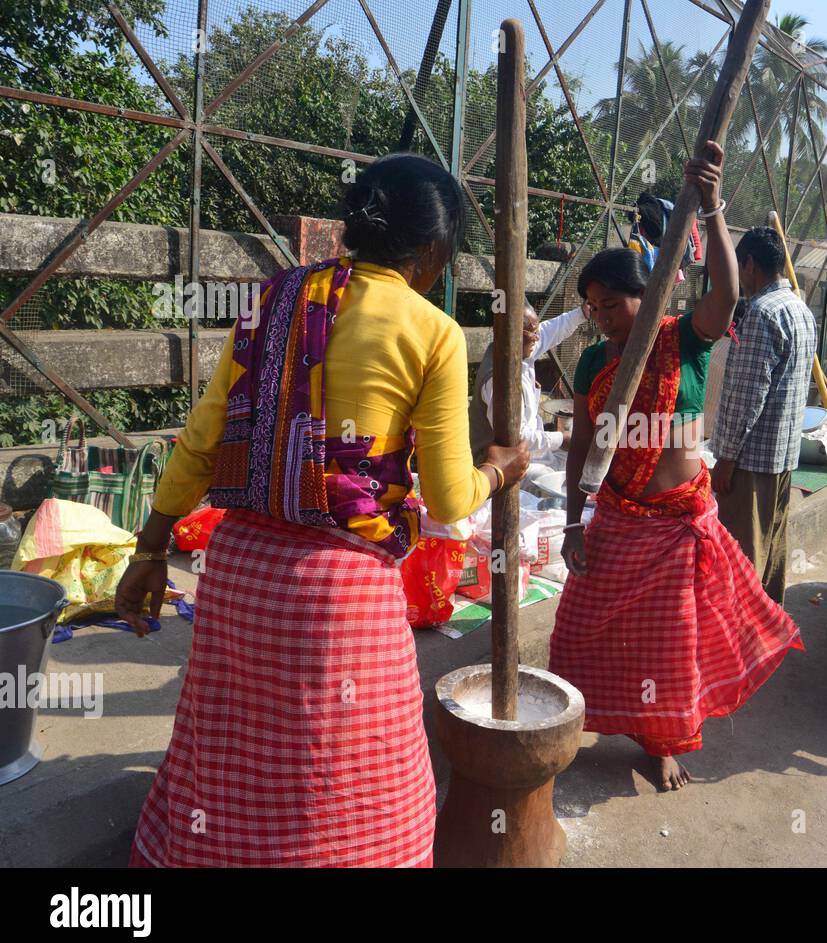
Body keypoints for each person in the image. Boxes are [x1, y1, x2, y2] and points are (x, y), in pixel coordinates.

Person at [114, 154, 529, 867]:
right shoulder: (434, 333)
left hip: (238, 577)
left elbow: (203, 438)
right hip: (339, 598)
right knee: (351, 788)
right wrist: (500, 467)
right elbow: (451, 499)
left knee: (233, 766)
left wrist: (150, 549)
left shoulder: (272, 297)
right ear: (432, 252)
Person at [549, 143, 802, 792]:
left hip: (675, 525)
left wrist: (713, 207)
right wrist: (574, 523)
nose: (603, 318)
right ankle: (575, 722)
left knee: (667, 650)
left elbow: (722, 285)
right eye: (594, 309)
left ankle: (660, 744)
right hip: (615, 520)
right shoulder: (592, 365)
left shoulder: (682, 338)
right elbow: (582, 447)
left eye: (614, 305)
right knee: (579, 631)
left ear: (648, 294)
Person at [712, 227, 819, 602]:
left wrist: (725, 457)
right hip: (783, 455)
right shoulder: (800, 311)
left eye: (740, 269)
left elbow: (746, 396)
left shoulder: (761, 313)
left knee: (742, 555)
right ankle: (768, 629)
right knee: (771, 549)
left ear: (751, 264)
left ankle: (742, 639)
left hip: (751, 461)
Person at [469, 301, 587, 473]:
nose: (537, 337)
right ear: (510, 332)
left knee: (577, 460)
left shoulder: (520, 348)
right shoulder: (498, 379)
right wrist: (562, 438)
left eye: (536, 331)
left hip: (530, 452)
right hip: (498, 466)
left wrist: (582, 313)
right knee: (553, 475)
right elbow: (517, 437)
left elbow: (550, 330)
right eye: (532, 332)